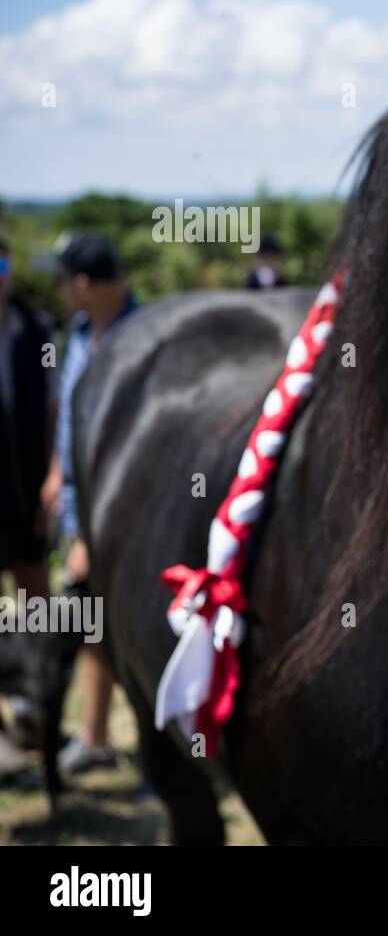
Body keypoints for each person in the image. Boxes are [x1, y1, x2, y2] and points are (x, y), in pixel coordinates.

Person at [39, 234, 139, 777]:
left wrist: (88, 541)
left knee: (131, 633)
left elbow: (132, 447)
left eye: (61, 279)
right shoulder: (77, 336)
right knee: (91, 626)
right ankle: (96, 736)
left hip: (118, 516)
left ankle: (165, 760)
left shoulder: (146, 338)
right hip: (80, 509)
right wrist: (57, 473)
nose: (57, 290)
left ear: (81, 282)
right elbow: (71, 416)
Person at [0, 237, 57, 760]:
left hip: (26, 492)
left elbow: (54, 407)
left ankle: (37, 707)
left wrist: (52, 481)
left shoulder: (36, 331)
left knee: (35, 596)